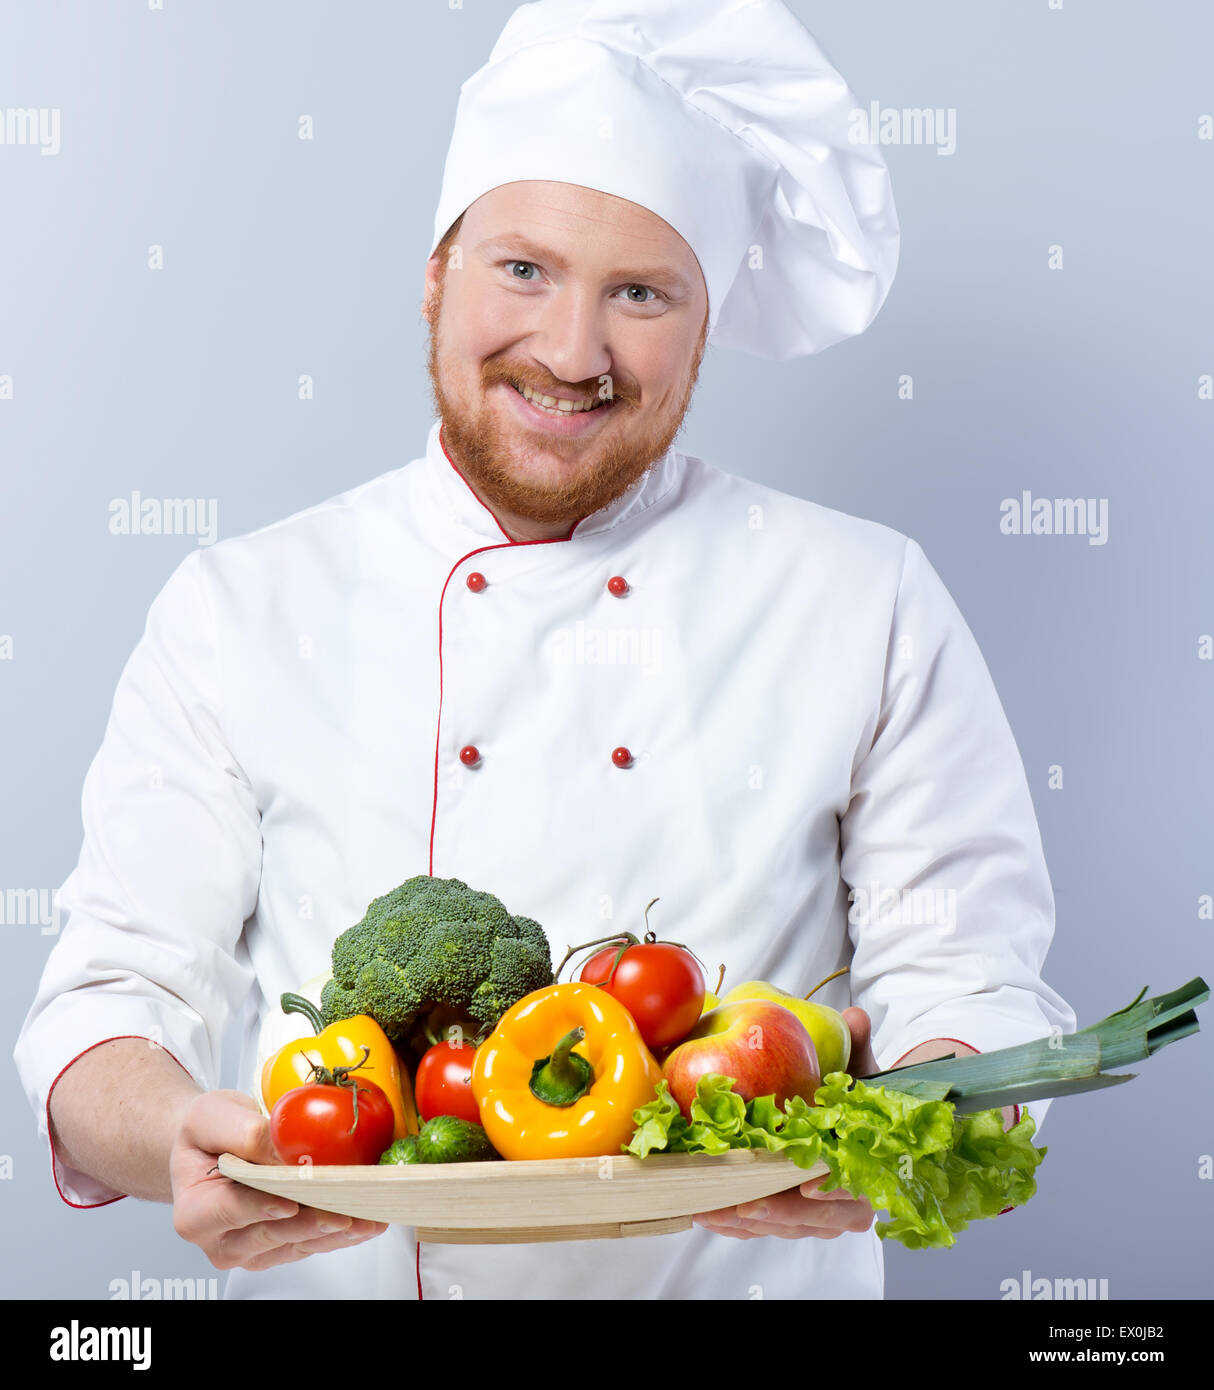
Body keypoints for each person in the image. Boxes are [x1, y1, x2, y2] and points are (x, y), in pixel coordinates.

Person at [13, 0, 1074, 1299]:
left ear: (702, 321)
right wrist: (173, 1128)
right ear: (433, 272)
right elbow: (109, 995)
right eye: (523, 269)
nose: (571, 353)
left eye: (639, 292)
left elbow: (964, 973)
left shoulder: (865, 597)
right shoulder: (239, 604)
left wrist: (911, 1126)